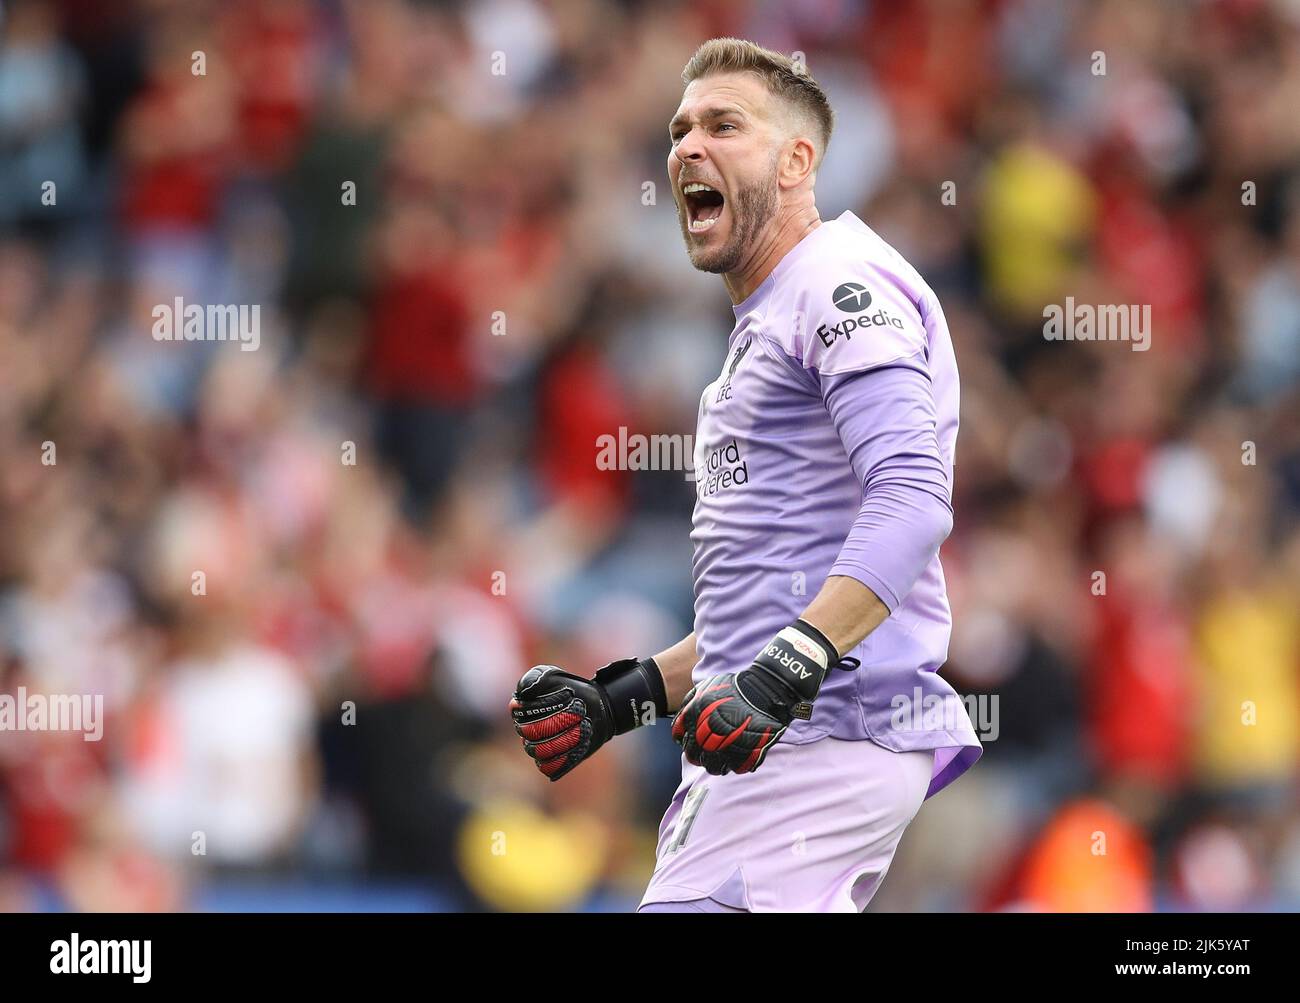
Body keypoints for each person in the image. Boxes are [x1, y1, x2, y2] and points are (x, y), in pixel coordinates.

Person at [509, 38, 982, 913]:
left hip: (823, 736)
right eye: (681, 128)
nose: (688, 146)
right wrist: (625, 697)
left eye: (725, 125)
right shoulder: (759, 331)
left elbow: (914, 501)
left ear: (798, 160)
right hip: (779, 741)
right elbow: (762, 612)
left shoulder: (839, 283)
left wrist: (787, 673)